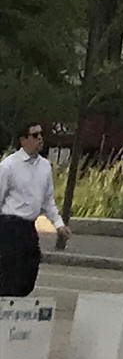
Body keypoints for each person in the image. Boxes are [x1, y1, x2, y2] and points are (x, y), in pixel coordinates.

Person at [0, 120, 67, 297]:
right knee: (10, 272)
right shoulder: (9, 165)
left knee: (30, 269)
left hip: (29, 226)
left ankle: (18, 303)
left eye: (41, 135)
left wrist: (58, 225)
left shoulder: (44, 167)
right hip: (10, 225)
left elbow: (48, 200)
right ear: (23, 140)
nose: (40, 139)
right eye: (35, 135)